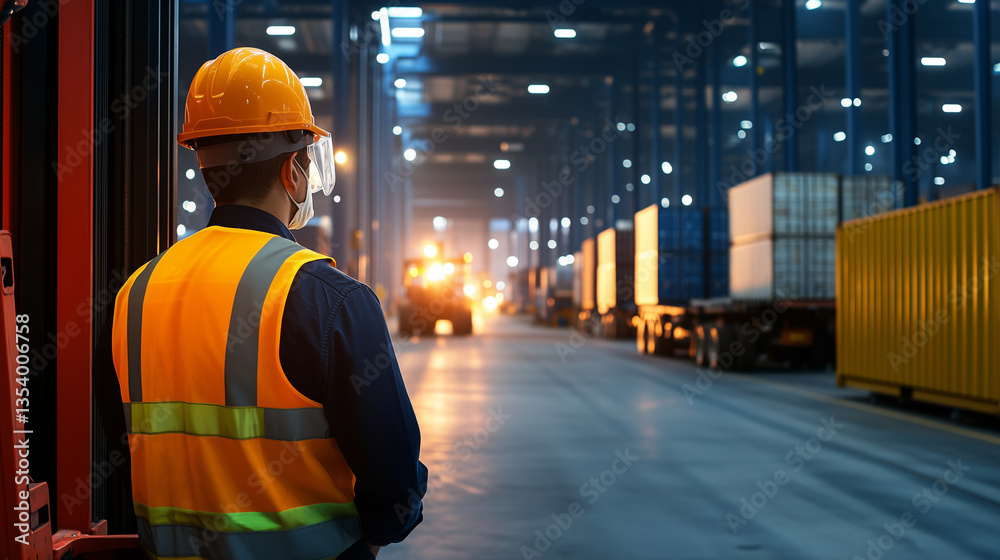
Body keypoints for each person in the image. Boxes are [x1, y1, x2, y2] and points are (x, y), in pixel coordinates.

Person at [110, 47, 426, 559]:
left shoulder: (136, 293)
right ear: (293, 171)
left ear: (204, 164)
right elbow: (394, 485)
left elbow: (121, 454)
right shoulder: (330, 299)